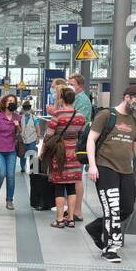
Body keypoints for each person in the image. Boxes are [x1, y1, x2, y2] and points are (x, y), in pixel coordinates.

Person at [84, 83, 136, 264]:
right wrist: (92, 165)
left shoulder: (133, 121)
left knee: (127, 207)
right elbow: (91, 139)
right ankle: (110, 248)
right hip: (105, 167)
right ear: (127, 97)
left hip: (126, 170)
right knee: (112, 208)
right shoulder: (106, 115)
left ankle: (95, 228)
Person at [43, 87, 85, 228]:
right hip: (74, 155)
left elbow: (49, 134)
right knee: (71, 186)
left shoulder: (58, 115)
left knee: (59, 187)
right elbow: (82, 135)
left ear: (61, 99)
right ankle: (71, 218)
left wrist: (43, 149)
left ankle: (60, 219)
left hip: (59, 154)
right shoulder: (80, 116)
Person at [0, 93, 21, 209]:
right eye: (9, 101)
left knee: (11, 176)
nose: (11, 103)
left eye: (13, 101)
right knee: (1, 174)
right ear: (4, 103)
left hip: (11, 150)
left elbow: (20, 134)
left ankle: (9, 200)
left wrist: (18, 126)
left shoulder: (17, 117)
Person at [68, 73, 93, 222]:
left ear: (80, 86)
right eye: (68, 83)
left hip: (78, 143)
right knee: (72, 177)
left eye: (72, 84)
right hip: (73, 141)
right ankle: (72, 209)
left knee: (77, 178)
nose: (69, 86)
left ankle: (77, 211)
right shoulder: (75, 99)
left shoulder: (82, 100)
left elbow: (79, 122)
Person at [19, 99, 40, 171]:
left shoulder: (34, 118)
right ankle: (23, 168)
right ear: (23, 109)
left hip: (32, 139)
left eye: (28, 109)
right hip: (23, 139)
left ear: (30, 109)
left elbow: (38, 128)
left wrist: (38, 137)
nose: (26, 110)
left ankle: (34, 169)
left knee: (32, 153)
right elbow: (19, 128)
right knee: (22, 155)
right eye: (25, 109)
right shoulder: (21, 118)